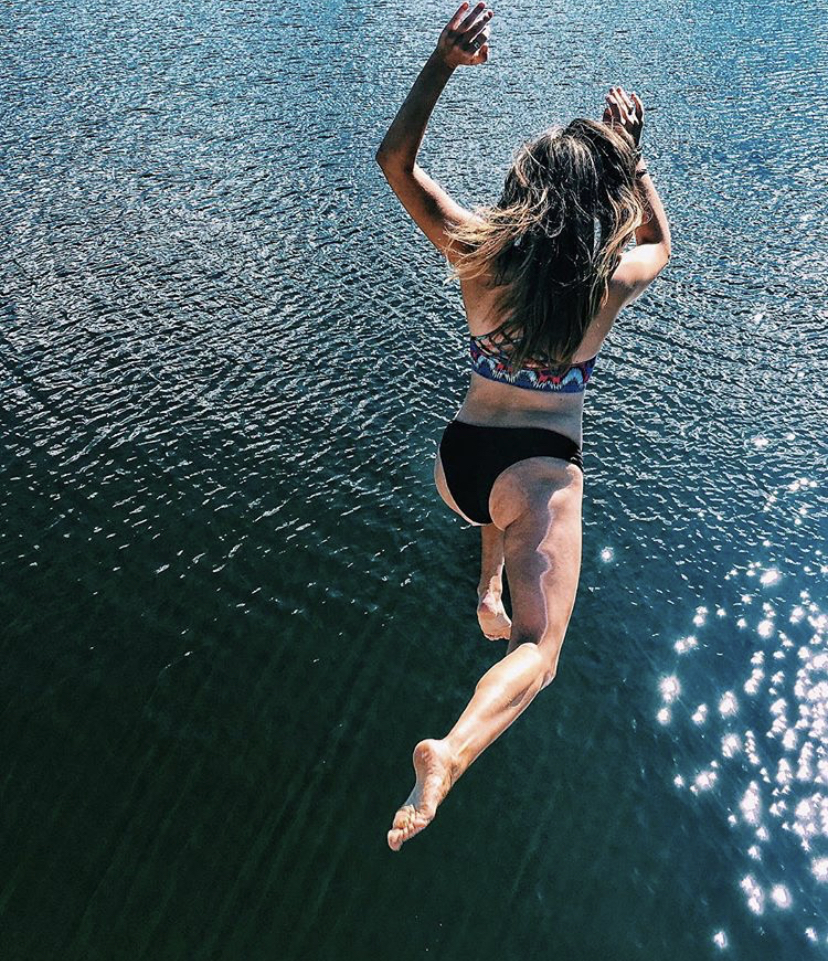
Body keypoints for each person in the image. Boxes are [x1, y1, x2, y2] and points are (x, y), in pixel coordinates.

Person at [375, 2, 671, 852]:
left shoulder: (478, 250)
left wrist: (441, 63)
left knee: (503, 513)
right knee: (539, 651)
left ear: (524, 188)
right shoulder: (606, 286)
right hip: (535, 470)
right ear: (598, 206)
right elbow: (660, 241)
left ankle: (486, 588)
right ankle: (450, 751)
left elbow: (395, 161)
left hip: (460, 460)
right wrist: (632, 157)